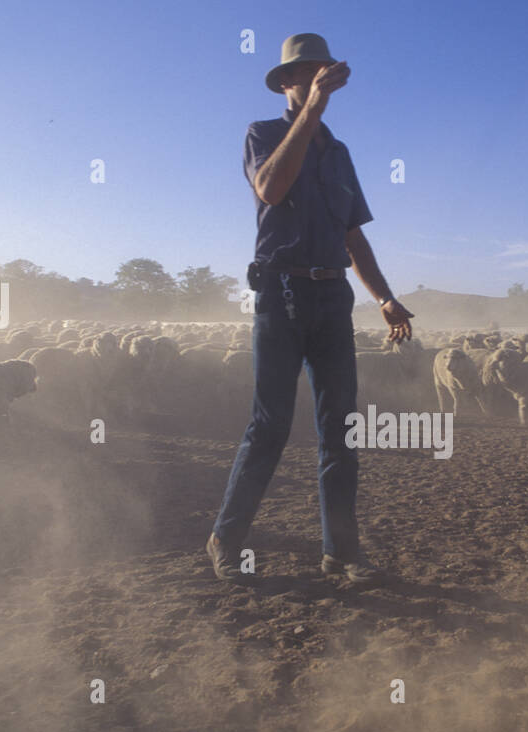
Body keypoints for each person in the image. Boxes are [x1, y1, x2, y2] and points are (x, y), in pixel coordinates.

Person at [207, 33, 414, 583]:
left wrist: (386, 298)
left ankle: (341, 553)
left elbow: (354, 237)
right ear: (287, 83)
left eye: (323, 70)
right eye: (306, 73)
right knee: (270, 426)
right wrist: (313, 109)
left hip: (332, 296)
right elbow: (271, 189)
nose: (317, 78)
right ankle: (225, 539)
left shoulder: (340, 154)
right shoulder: (264, 133)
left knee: (341, 431)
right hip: (281, 292)